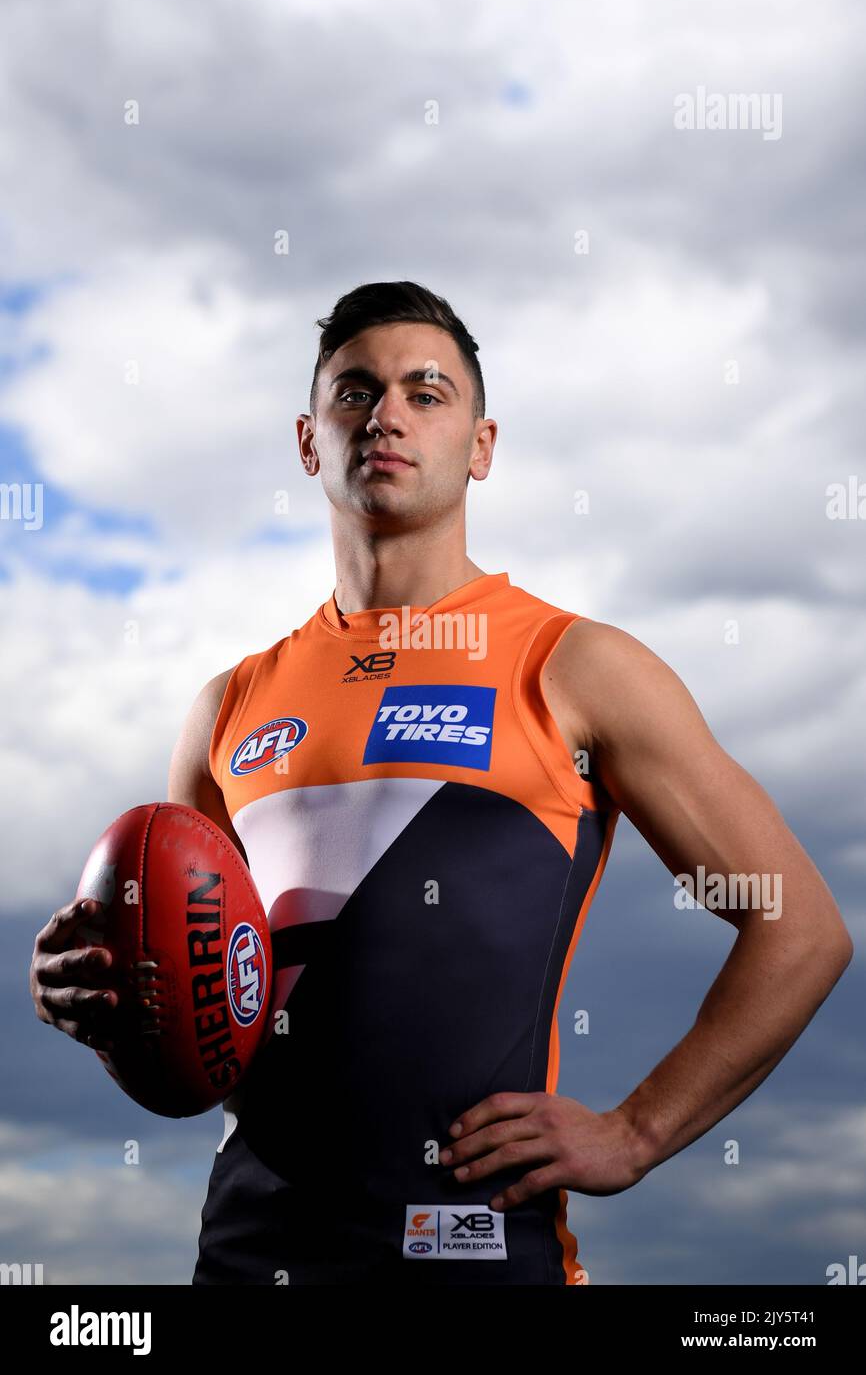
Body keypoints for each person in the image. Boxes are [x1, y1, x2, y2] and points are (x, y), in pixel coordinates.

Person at [30, 280, 852, 1286]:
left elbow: (798, 926)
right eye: (354, 391)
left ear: (481, 445)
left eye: (427, 391)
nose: (387, 415)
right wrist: (106, 998)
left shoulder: (573, 666)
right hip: (250, 1255)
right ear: (306, 438)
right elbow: (206, 1021)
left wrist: (635, 1129)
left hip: (473, 1254)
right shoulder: (228, 706)